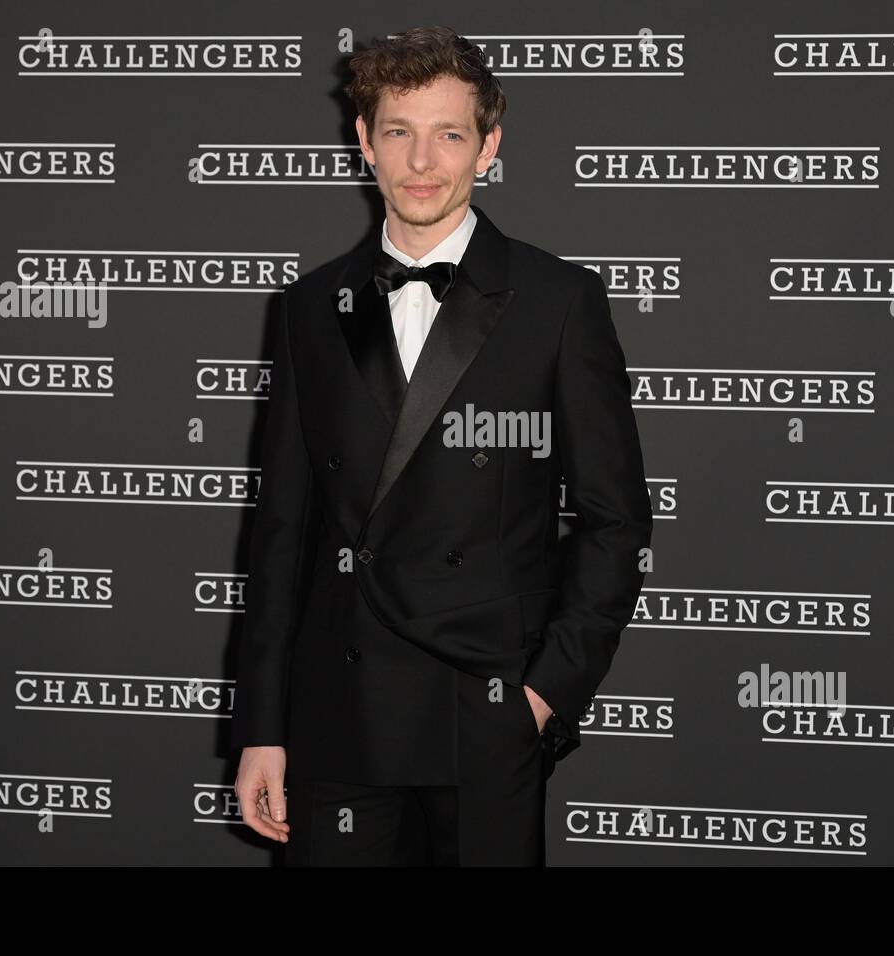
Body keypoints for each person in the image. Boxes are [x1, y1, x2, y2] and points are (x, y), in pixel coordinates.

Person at [231, 25, 652, 865]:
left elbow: (615, 522)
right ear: (364, 143)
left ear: (488, 146)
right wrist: (264, 727)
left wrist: (541, 696)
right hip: (339, 714)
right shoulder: (311, 308)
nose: (423, 162)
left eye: (449, 135)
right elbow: (284, 531)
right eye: (399, 132)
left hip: (483, 711)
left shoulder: (557, 301)